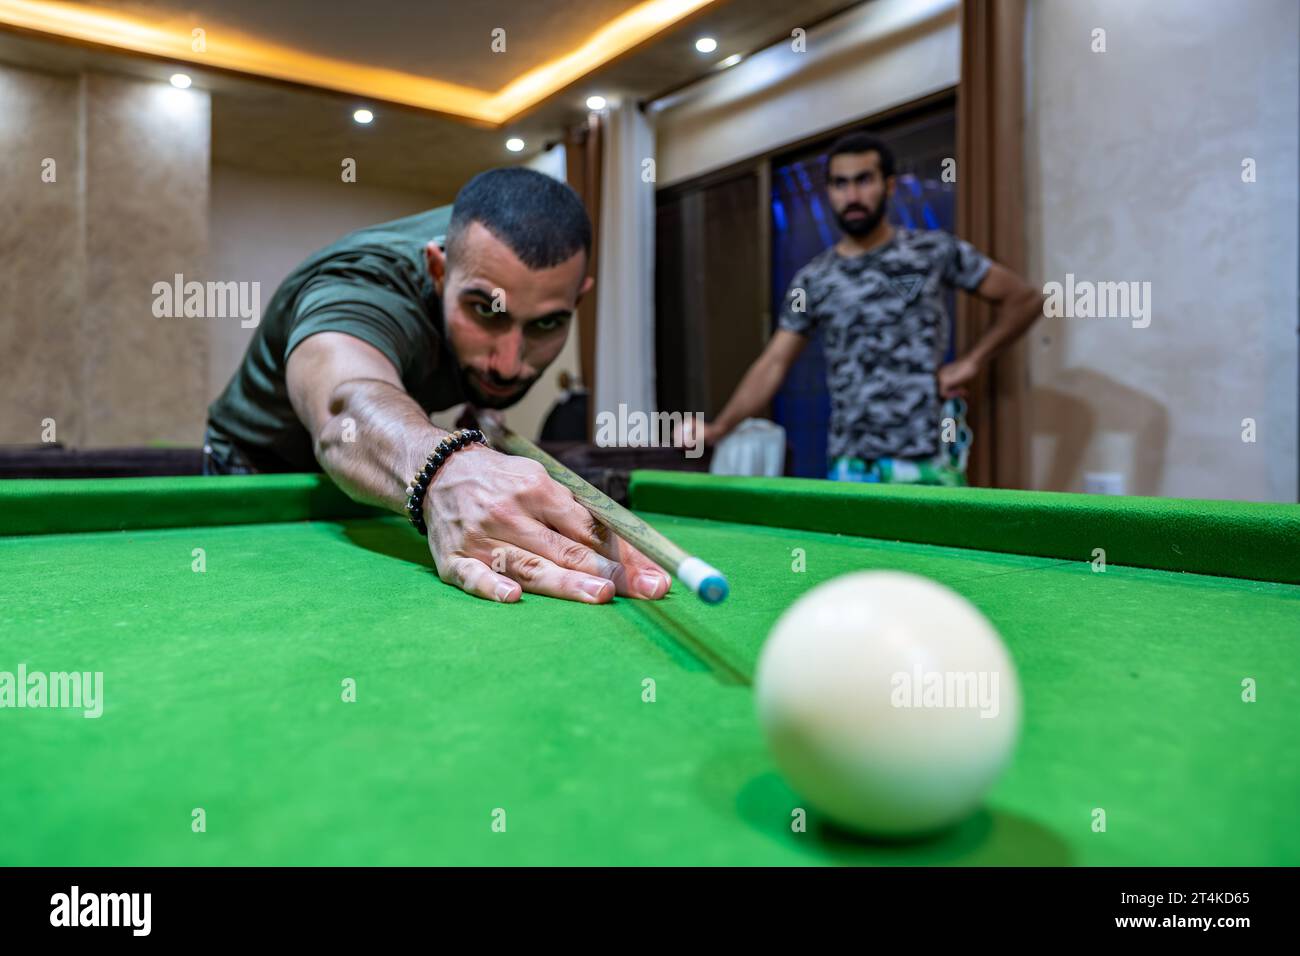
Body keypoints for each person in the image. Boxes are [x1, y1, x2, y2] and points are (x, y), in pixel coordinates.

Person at [205, 168, 669, 605]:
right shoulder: (363, 283)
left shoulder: (487, 272)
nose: (509, 364)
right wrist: (446, 469)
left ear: (578, 297)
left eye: (547, 323)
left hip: (377, 480)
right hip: (257, 470)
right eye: (487, 311)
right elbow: (345, 408)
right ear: (438, 270)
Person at [698, 132, 1044, 484]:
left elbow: (1025, 299)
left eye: (863, 180)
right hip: (852, 462)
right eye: (840, 184)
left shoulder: (932, 252)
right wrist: (720, 428)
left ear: (889, 186)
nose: (852, 196)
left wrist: (971, 363)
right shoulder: (815, 279)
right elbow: (774, 363)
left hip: (928, 456)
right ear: (830, 192)